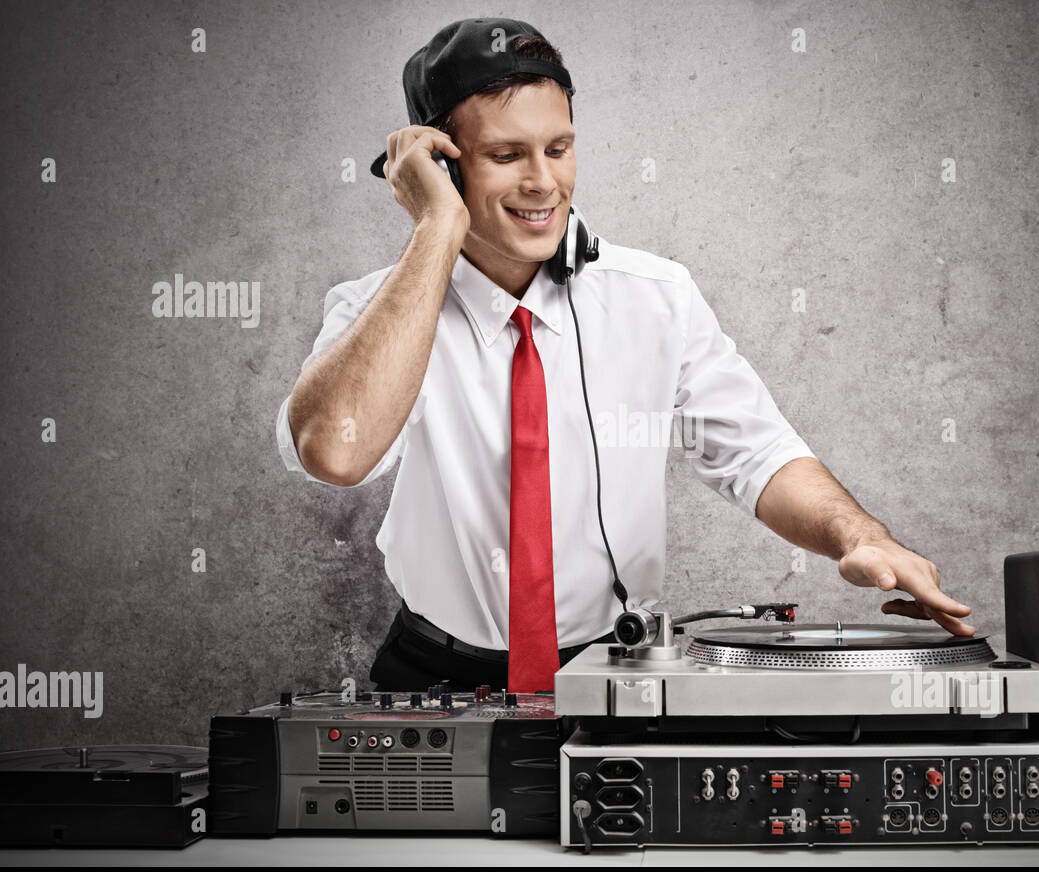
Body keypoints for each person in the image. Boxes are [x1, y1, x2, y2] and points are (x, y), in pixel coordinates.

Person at [275, 18, 974, 694]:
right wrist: (436, 230)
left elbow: (755, 454)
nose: (543, 183)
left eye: (558, 148)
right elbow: (335, 455)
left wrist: (858, 535)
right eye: (506, 155)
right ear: (441, 166)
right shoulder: (375, 311)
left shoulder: (657, 297)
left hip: (615, 670)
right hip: (431, 674)